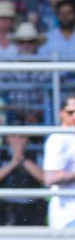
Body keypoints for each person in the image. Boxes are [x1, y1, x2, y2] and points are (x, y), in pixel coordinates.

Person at [43, 96, 75, 228]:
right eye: (71, 112)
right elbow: (50, 179)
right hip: (68, 216)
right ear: (61, 113)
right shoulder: (58, 139)